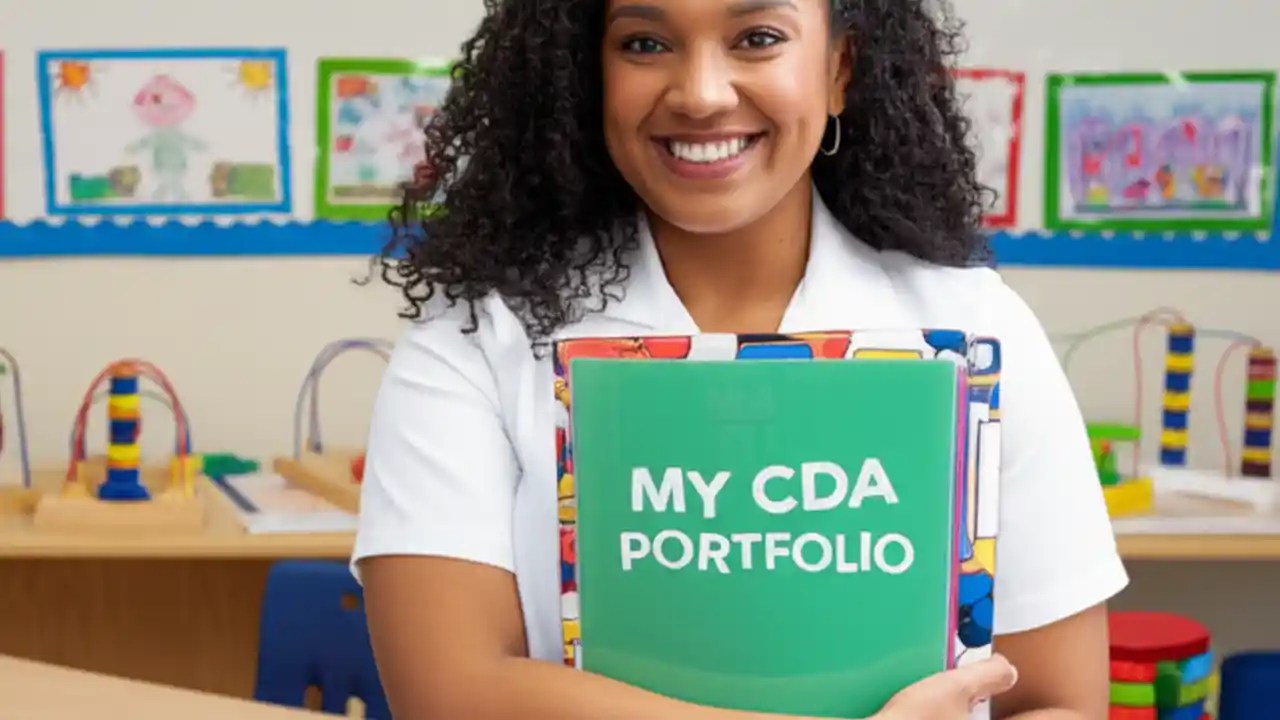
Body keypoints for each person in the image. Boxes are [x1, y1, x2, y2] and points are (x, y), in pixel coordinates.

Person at [352, 0, 1127, 718]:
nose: (700, 93)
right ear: (589, 74)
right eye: (644, 43)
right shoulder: (474, 346)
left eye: (757, 38)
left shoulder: (977, 327)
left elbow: (1056, 700)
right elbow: (449, 693)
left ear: (838, 70)